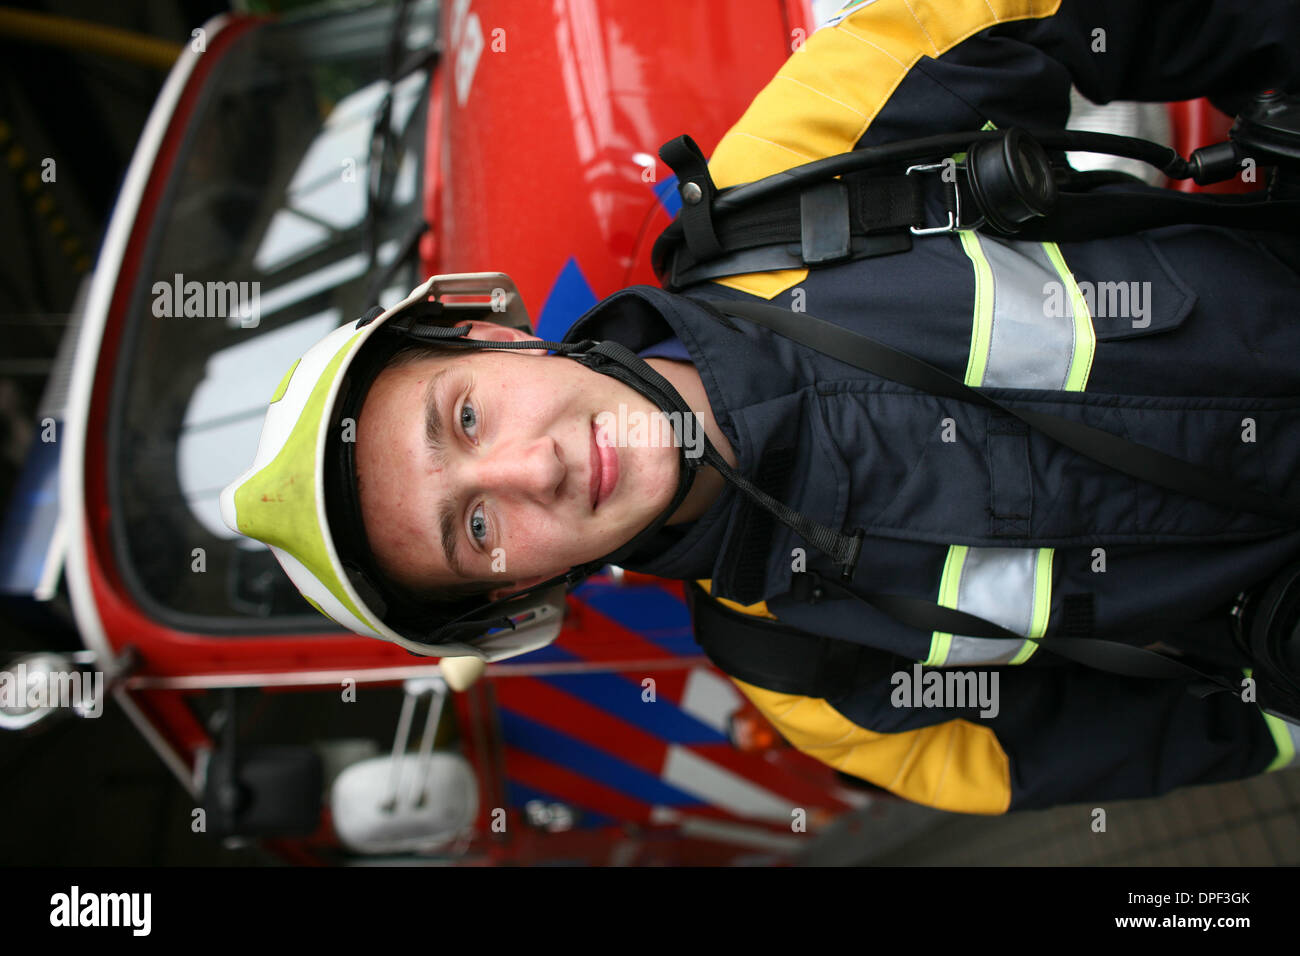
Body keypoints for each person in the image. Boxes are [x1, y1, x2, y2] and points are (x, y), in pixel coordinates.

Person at [222, 0, 1300, 814]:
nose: (528, 469)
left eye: (462, 418)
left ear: (492, 335)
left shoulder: (796, 169)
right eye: (477, 528)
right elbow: (1189, 739)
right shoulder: (813, 684)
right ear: (522, 596)